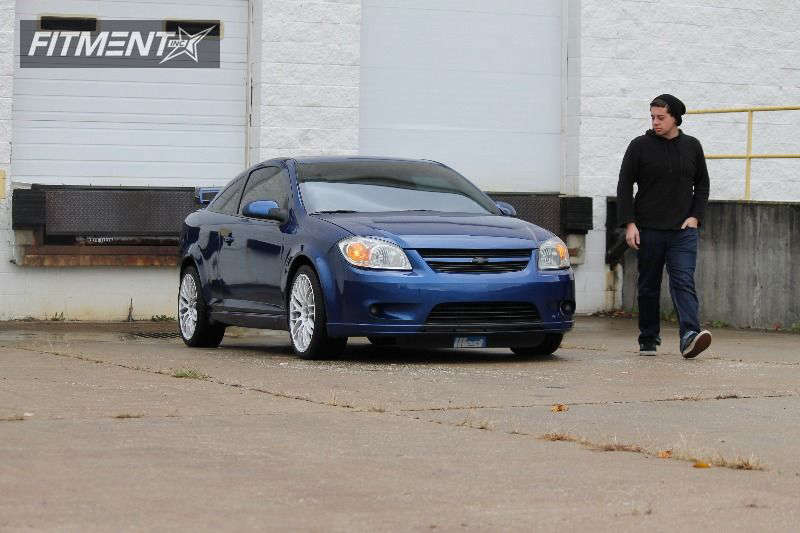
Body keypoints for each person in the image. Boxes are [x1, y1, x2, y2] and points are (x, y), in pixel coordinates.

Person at [616, 94, 712, 358]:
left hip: (683, 231)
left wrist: (695, 217)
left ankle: (690, 336)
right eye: (652, 117)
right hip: (648, 229)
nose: (655, 122)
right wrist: (630, 223)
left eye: (661, 117)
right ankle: (648, 337)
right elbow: (624, 185)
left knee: (683, 282)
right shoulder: (639, 146)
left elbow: (702, 184)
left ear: (675, 118)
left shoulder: (692, 146)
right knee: (648, 286)